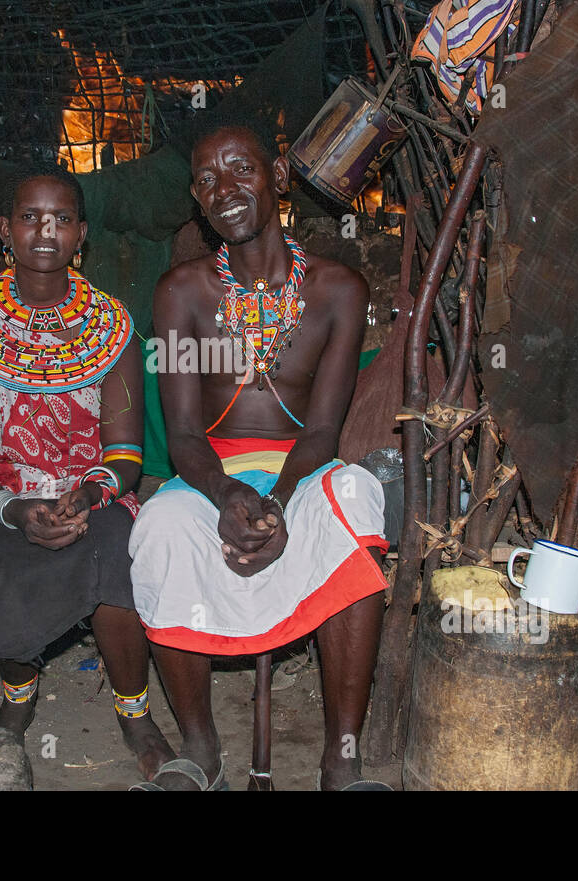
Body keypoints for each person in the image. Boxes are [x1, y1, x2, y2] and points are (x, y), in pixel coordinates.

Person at [128, 119, 392, 790]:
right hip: (209, 475)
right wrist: (225, 495)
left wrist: (274, 502)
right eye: (209, 179)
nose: (226, 188)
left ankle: (343, 758)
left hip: (298, 470)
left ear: (276, 176)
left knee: (357, 492)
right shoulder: (181, 292)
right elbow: (183, 433)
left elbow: (324, 429)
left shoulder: (338, 290)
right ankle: (200, 745)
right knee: (157, 525)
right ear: (196, 196)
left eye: (241, 169)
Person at [0, 164, 171, 779]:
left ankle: (134, 711)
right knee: (8, 569)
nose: (46, 231)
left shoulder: (112, 328)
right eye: (30, 217)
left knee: (119, 551)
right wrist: (13, 508)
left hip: (88, 495)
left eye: (62, 218)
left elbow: (124, 455)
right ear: (4, 229)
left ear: (82, 234)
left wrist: (89, 495)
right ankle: (19, 694)